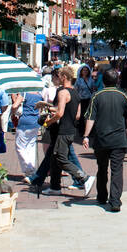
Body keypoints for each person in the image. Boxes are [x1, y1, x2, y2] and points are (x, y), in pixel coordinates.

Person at [30, 67, 93, 197]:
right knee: (54, 157)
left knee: (60, 158)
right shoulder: (75, 92)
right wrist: (47, 106)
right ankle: (55, 186)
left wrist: (48, 122)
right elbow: (77, 115)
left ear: (64, 77)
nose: (57, 79)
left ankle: (84, 177)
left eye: (59, 76)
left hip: (62, 130)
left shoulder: (62, 92)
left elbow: (59, 113)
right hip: (71, 130)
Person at [81, 69, 127, 211]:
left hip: (101, 139)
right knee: (117, 170)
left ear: (103, 81)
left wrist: (86, 135)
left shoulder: (96, 96)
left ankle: (101, 196)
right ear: (117, 81)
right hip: (118, 139)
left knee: (102, 168)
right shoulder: (123, 95)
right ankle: (115, 201)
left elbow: (90, 117)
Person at [10, 90, 45, 177]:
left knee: (20, 146)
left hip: (24, 121)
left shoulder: (24, 93)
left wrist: (13, 112)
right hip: (36, 122)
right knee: (31, 146)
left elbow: (15, 106)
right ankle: (31, 169)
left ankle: (29, 169)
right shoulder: (39, 94)